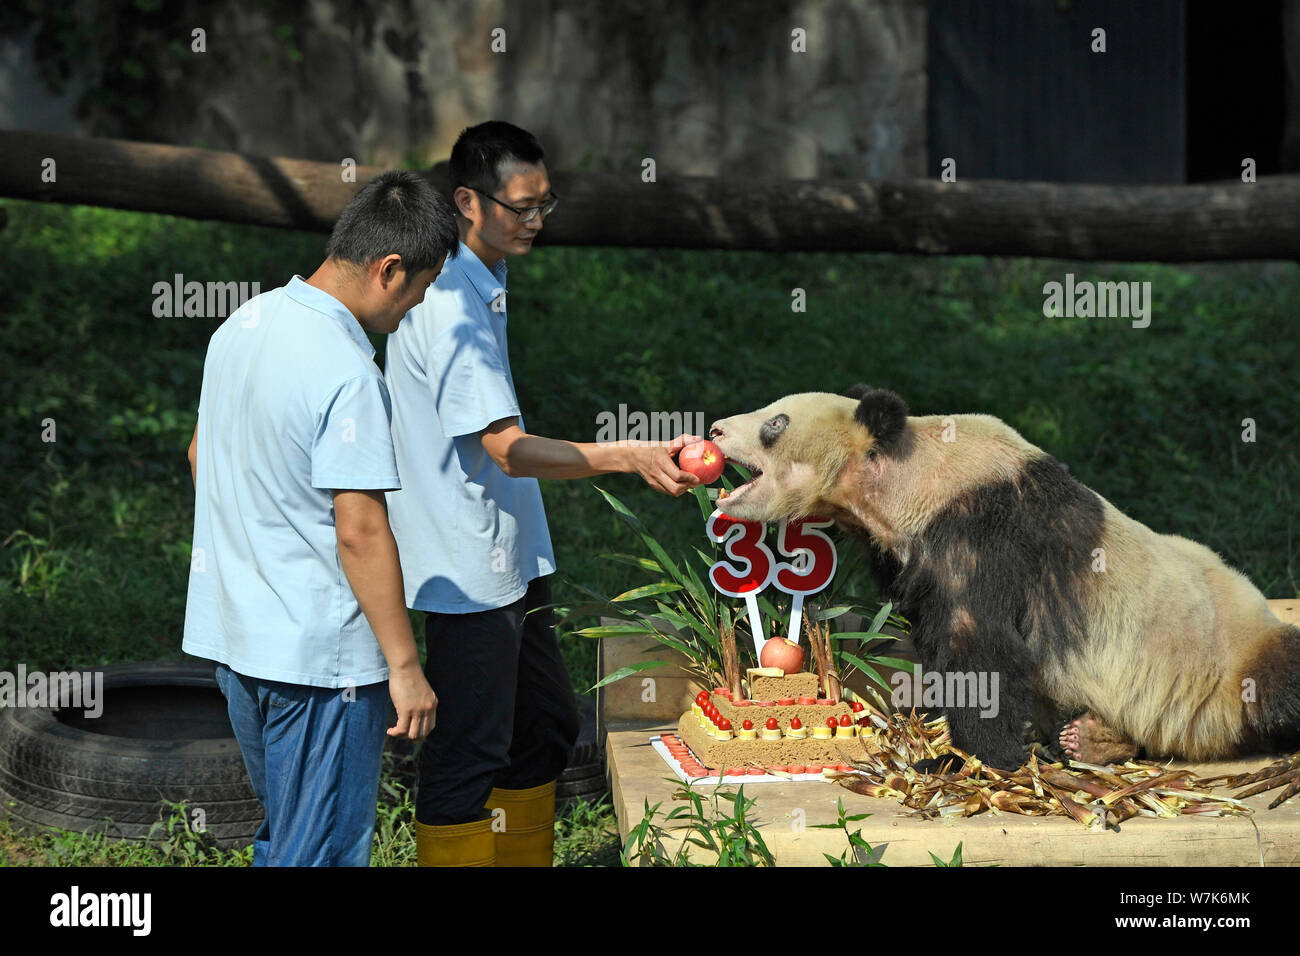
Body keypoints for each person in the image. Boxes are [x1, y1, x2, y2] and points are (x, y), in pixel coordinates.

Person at [384, 121, 700, 867]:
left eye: (544, 205)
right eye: (519, 206)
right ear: (466, 200)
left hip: (507, 554)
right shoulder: (450, 300)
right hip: (466, 568)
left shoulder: (478, 279)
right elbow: (508, 449)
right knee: (472, 749)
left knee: (544, 730)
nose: (533, 222)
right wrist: (622, 455)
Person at [183, 170, 458, 866]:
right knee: (321, 854)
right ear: (389, 269)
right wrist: (404, 666)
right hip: (323, 667)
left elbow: (198, 456)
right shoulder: (349, 371)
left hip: (241, 647)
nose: (415, 309)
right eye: (421, 290)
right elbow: (359, 529)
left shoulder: (240, 325)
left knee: (288, 840)